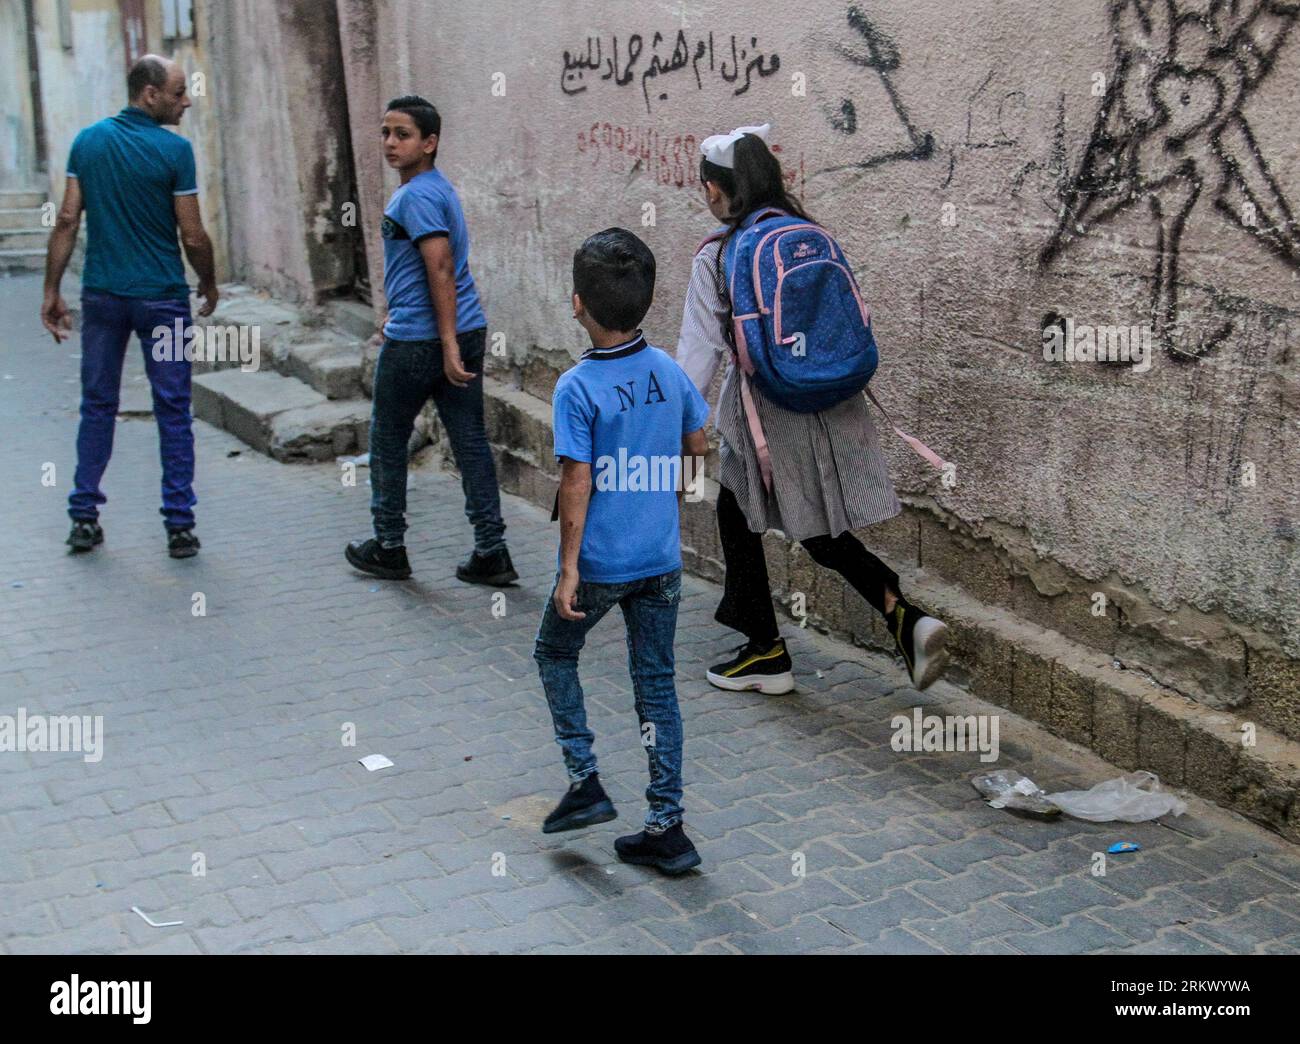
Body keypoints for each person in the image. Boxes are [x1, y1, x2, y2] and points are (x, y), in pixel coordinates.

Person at [675, 124, 949, 693]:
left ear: (717, 190)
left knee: (754, 511)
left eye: (707, 186)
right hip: (836, 401)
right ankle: (902, 614)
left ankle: (767, 651)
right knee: (801, 521)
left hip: (770, 409)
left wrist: (681, 422)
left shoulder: (719, 255)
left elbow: (699, 353)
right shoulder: (808, 234)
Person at [534, 228, 710, 875]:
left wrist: (569, 569)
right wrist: (676, 501)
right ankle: (667, 826)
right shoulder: (667, 371)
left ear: (577, 303)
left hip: (603, 564)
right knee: (657, 686)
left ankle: (584, 780)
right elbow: (698, 443)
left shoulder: (577, 387)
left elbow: (576, 482)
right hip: (661, 560)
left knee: (554, 651)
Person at [41, 54, 218, 559]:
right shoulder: (174, 150)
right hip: (162, 299)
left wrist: (51, 291)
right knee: (173, 408)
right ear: (150, 94)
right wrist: (208, 282)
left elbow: (68, 220)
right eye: (179, 92)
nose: (186, 101)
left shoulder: (87, 142)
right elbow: (192, 233)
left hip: (102, 297)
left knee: (97, 405)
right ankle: (180, 526)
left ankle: (83, 518)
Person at [345, 95, 515, 585]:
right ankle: (492, 550)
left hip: (424, 341)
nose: (391, 143)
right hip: (454, 329)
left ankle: (389, 545)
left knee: (388, 438)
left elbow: (439, 265)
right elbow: (428, 270)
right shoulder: (436, 189)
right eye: (386, 133)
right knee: (470, 441)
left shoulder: (415, 195)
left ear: (430, 142)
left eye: (403, 134)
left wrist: (445, 343)